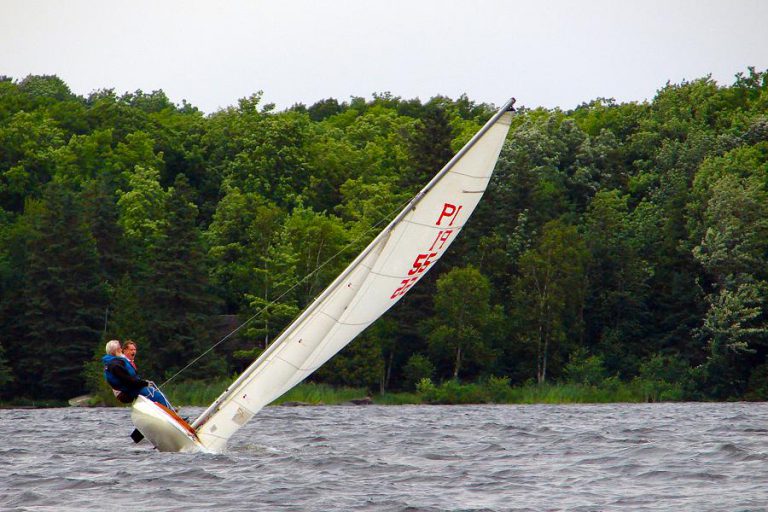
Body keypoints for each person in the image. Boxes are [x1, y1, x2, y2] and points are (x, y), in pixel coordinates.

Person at [102, 339, 173, 409]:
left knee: (154, 392)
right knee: (158, 396)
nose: (121, 349)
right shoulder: (116, 364)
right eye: (120, 348)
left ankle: (167, 410)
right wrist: (144, 383)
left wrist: (143, 383)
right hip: (127, 392)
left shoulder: (112, 362)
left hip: (129, 389)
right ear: (117, 350)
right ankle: (172, 415)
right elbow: (128, 380)